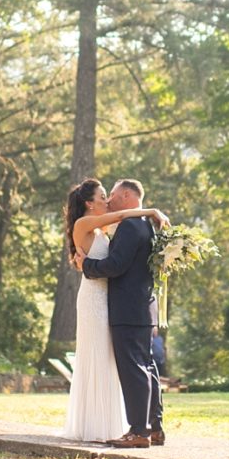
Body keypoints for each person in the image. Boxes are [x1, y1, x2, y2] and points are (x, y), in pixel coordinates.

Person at [59, 178, 168, 443]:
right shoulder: (85, 224)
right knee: (112, 361)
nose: (107, 200)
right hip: (97, 301)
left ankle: (141, 428)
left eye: (111, 194)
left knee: (128, 365)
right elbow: (120, 216)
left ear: (127, 194)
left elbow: (114, 258)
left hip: (118, 303)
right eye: (102, 196)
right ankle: (138, 426)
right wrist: (151, 211)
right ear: (89, 203)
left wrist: (87, 266)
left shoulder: (115, 228)